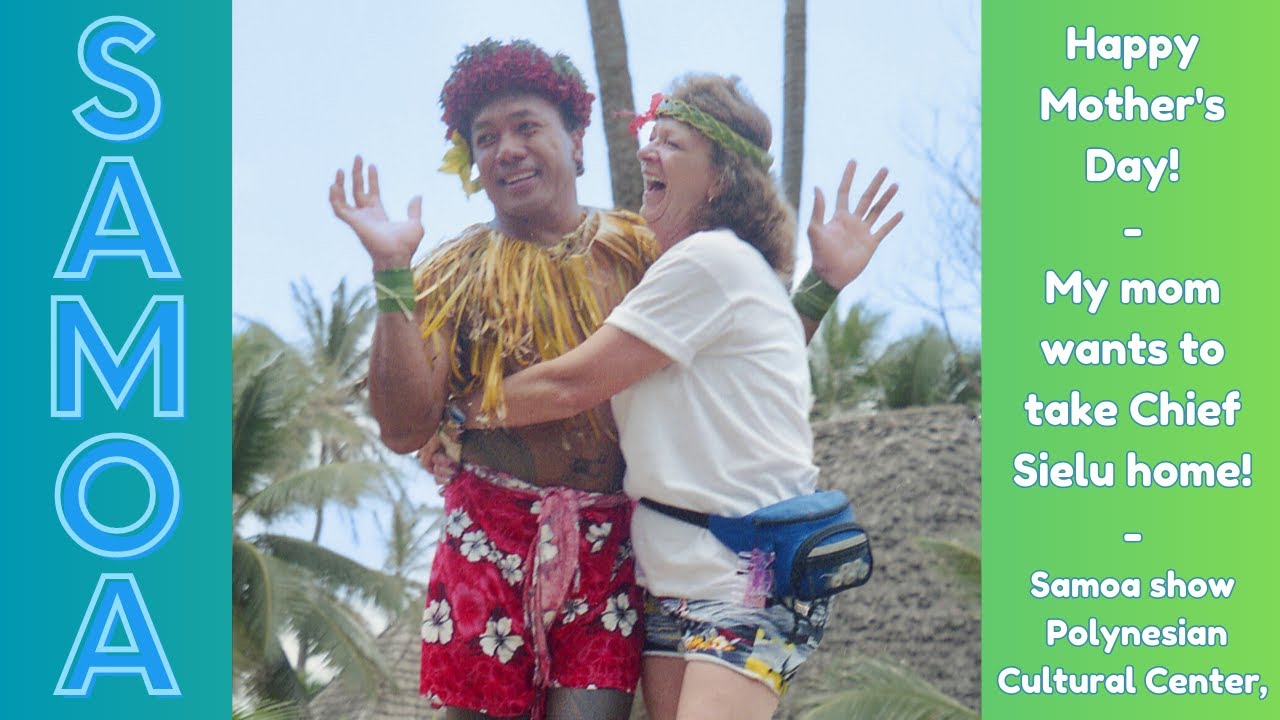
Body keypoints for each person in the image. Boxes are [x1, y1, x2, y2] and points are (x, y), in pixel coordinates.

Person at [447, 75, 901, 720]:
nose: (647, 153)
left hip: (744, 578)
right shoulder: (697, 270)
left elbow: (571, 384)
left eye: (673, 144)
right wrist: (822, 288)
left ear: (719, 180)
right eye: (650, 139)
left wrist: (454, 415)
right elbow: (736, 379)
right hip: (674, 582)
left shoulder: (709, 261)